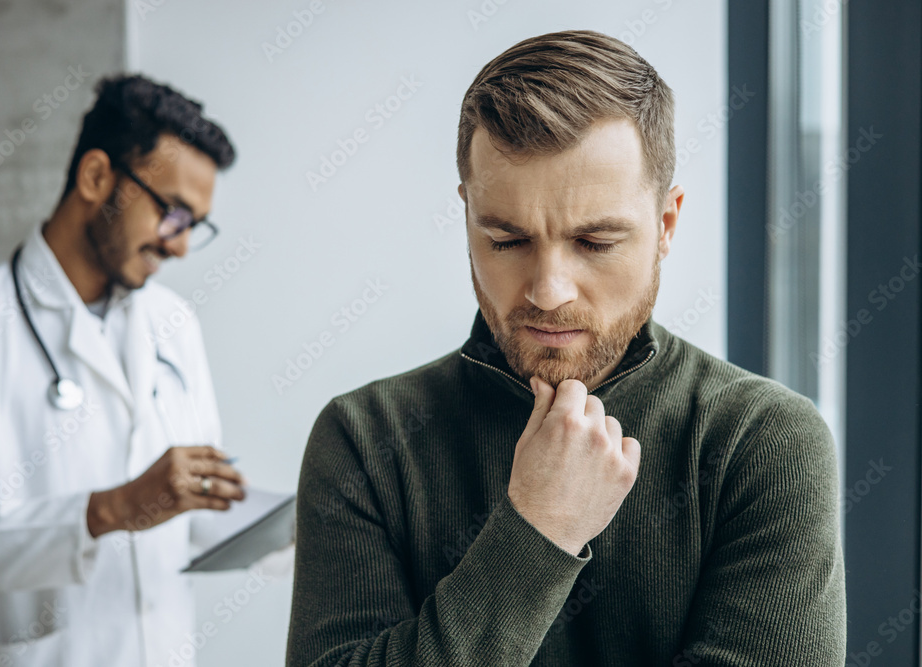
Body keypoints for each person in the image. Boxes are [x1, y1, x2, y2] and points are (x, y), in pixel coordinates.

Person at [286, 30, 845, 666]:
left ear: (666, 225)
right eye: (506, 240)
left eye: (596, 242)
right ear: (467, 217)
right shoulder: (363, 440)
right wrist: (538, 531)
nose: (549, 293)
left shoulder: (763, 441)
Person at [0, 75, 249, 667]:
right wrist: (109, 510)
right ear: (97, 177)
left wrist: (312, 518)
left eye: (194, 226)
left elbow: (189, 517)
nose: (179, 246)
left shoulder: (174, 326)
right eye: (172, 213)